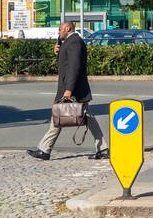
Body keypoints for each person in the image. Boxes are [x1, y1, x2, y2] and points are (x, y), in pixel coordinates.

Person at [28, 21, 105, 161]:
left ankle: (44, 149)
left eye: (60, 30)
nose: (58, 32)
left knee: (59, 118)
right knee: (82, 117)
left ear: (67, 28)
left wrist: (69, 89)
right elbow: (66, 63)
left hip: (73, 89)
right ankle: (103, 148)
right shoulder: (69, 42)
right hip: (73, 88)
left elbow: (74, 67)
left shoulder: (74, 42)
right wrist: (58, 52)